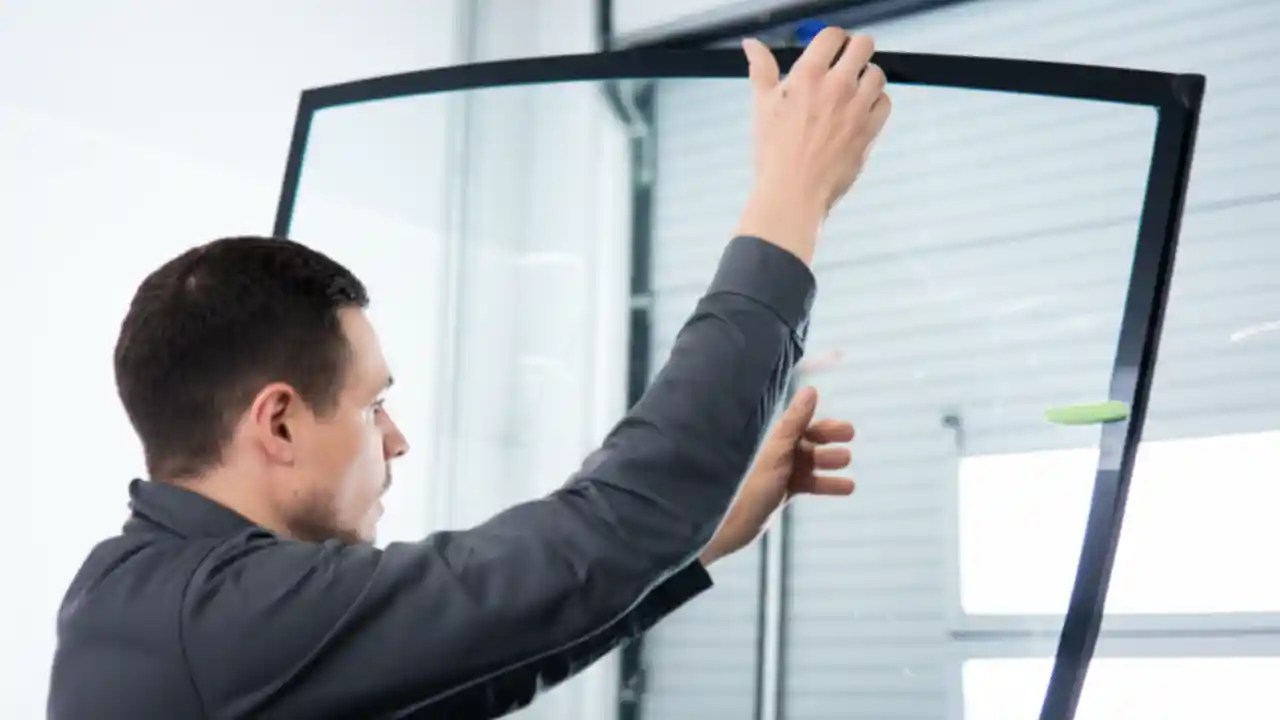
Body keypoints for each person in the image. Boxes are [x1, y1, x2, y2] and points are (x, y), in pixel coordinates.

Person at [48, 28, 890, 719]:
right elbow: (587, 543)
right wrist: (793, 193)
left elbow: (469, 668)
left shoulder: (145, 601)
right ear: (278, 423)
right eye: (373, 405)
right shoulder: (217, 619)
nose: (398, 439)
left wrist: (692, 540)